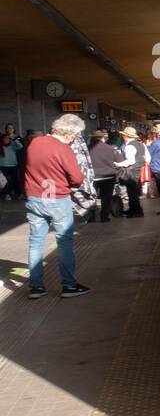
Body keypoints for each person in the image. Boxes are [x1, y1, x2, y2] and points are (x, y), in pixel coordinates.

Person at [24, 114, 90, 298]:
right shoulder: (64, 149)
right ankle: (69, 285)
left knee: (36, 242)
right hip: (57, 199)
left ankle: (36, 287)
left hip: (34, 197)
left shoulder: (35, 143)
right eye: (75, 135)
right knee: (64, 241)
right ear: (70, 134)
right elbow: (77, 178)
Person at [89, 132, 124, 222]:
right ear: (103, 139)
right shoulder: (111, 149)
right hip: (108, 177)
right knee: (106, 198)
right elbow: (119, 162)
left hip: (93, 177)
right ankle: (104, 217)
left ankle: (91, 217)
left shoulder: (88, 149)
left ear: (92, 139)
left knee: (91, 197)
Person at [114, 125, 147, 217]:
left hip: (131, 170)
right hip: (137, 169)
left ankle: (136, 212)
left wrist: (118, 164)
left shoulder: (129, 146)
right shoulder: (140, 144)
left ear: (126, 136)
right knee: (133, 191)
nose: (122, 137)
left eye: (123, 136)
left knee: (132, 192)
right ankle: (133, 209)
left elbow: (131, 160)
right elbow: (145, 157)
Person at [68, 128, 97, 223]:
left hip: (78, 175)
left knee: (77, 195)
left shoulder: (73, 144)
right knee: (83, 194)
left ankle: (88, 212)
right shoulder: (81, 142)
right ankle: (90, 211)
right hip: (84, 174)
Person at [0, 130, 19, 200]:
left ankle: (12, 192)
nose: (7, 140)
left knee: (14, 180)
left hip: (13, 165)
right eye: (5, 138)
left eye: (8, 138)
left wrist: (13, 139)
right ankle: (7, 194)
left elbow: (20, 146)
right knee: (8, 180)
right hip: (3, 166)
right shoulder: (0, 146)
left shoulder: (12, 145)